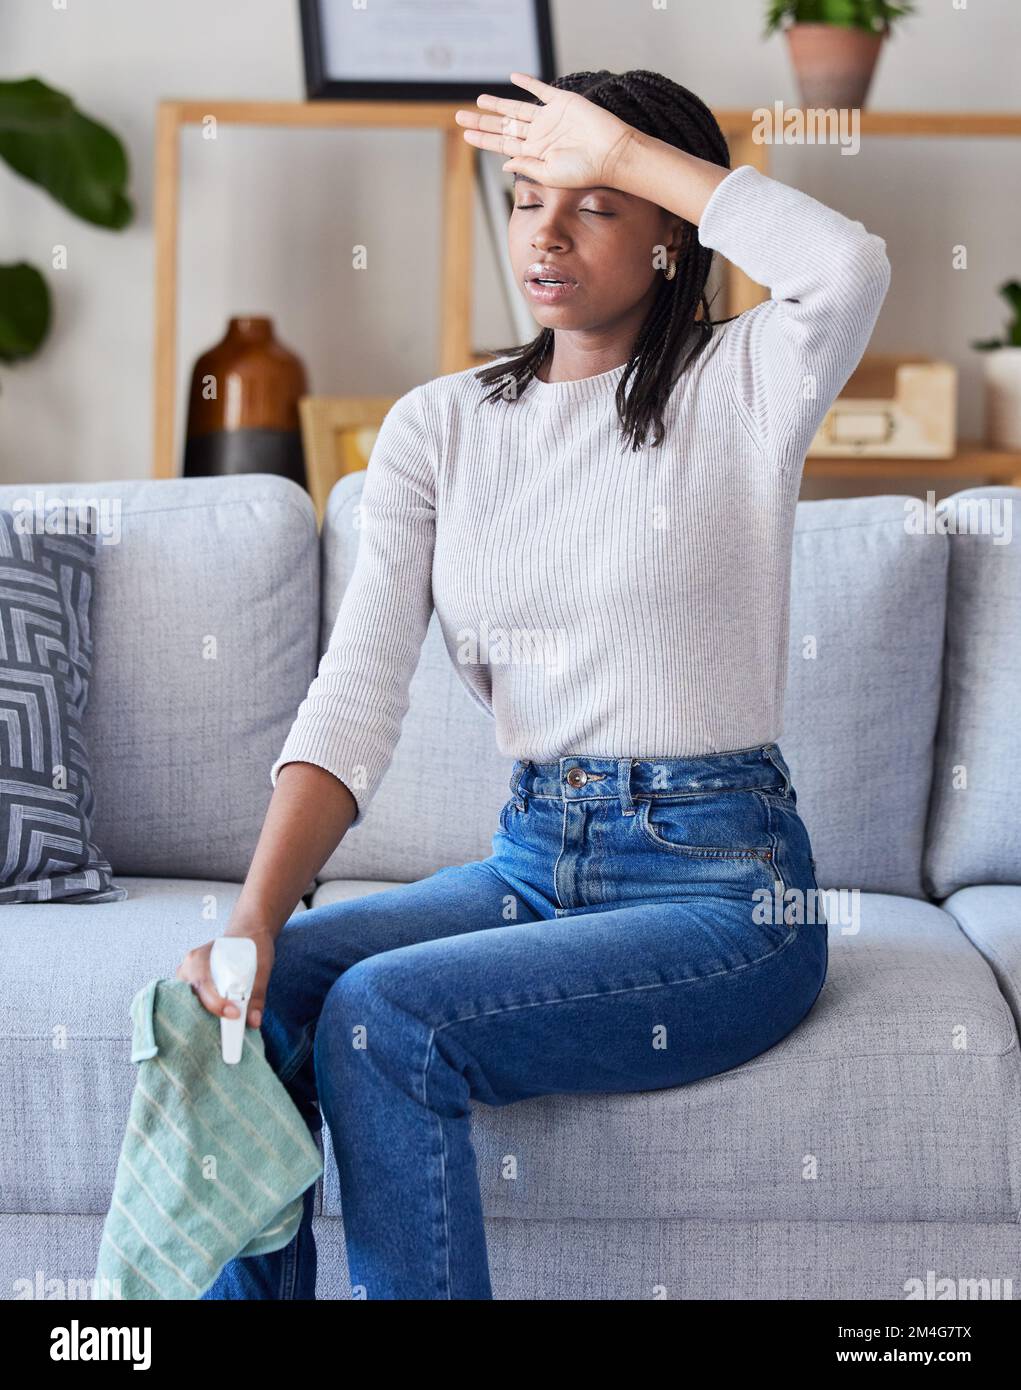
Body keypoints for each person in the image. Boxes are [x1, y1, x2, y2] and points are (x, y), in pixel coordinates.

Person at [180, 69, 890, 1300]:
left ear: (673, 233)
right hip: (530, 860)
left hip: (722, 888)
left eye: (596, 203)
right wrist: (251, 918)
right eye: (522, 200)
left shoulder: (746, 382)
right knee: (253, 1003)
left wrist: (621, 142)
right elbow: (353, 696)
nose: (545, 236)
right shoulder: (439, 426)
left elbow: (848, 263)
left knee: (383, 1017)